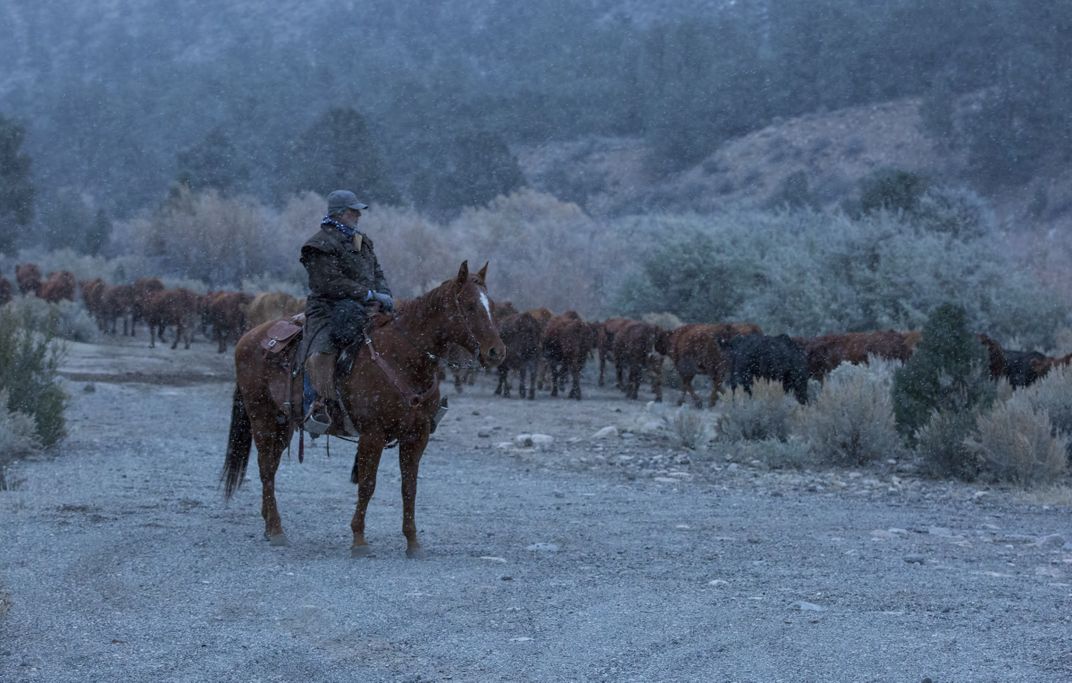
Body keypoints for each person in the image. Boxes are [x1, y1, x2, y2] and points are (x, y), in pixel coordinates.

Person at [298, 189, 394, 434]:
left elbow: (377, 272)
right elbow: (328, 283)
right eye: (354, 211)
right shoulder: (318, 244)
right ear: (340, 213)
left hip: (363, 309)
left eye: (358, 211)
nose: (358, 216)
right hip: (327, 310)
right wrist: (368, 294)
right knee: (321, 352)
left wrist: (385, 296)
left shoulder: (361, 241)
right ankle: (315, 407)